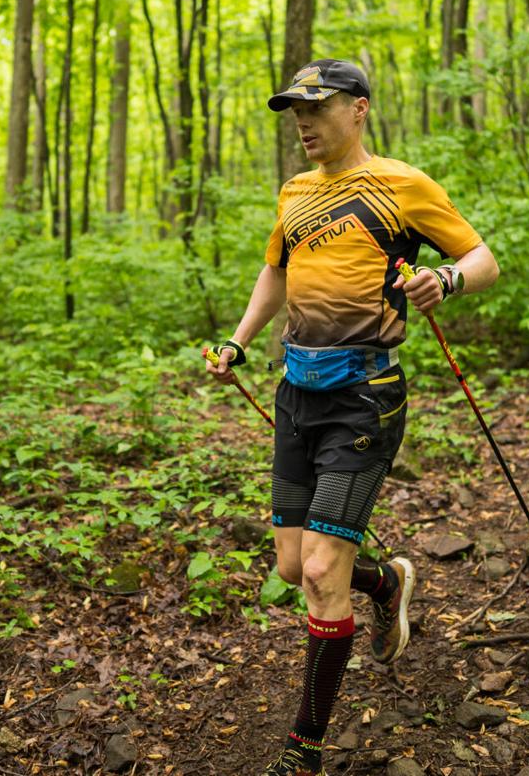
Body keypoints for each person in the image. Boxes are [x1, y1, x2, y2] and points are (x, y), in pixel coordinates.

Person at [205, 59, 499, 776]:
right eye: (295, 111)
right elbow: (276, 270)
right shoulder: (295, 191)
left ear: (359, 109)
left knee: (317, 569)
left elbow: (481, 256)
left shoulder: (403, 185)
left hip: (366, 396)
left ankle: (303, 748)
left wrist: (446, 278)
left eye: (318, 108)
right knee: (290, 565)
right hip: (296, 392)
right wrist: (239, 340)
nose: (302, 123)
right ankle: (386, 584)